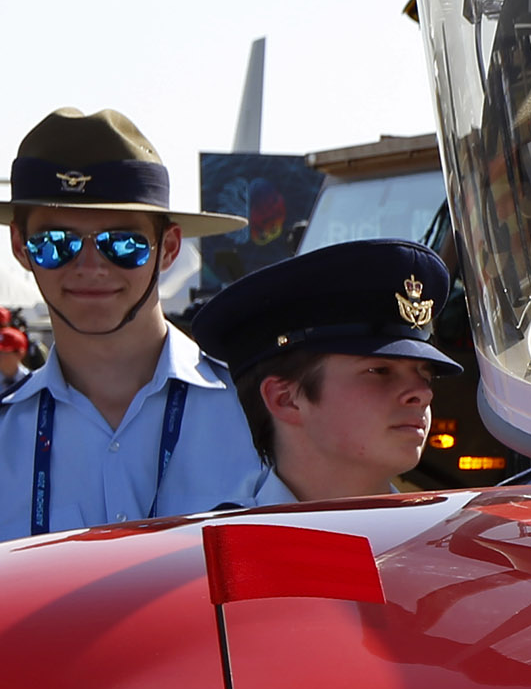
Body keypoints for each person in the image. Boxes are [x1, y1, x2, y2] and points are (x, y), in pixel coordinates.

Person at [0, 108, 262, 533]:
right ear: (20, 246)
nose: (89, 265)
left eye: (123, 243)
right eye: (54, 243)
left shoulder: (266, 415)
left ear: (169, 247)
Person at [184, 240, 466, 506]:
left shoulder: (447, 551)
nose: (423, 393)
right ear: (285, 398)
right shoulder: (211, 555)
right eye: (380, 371)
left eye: (425, 376)